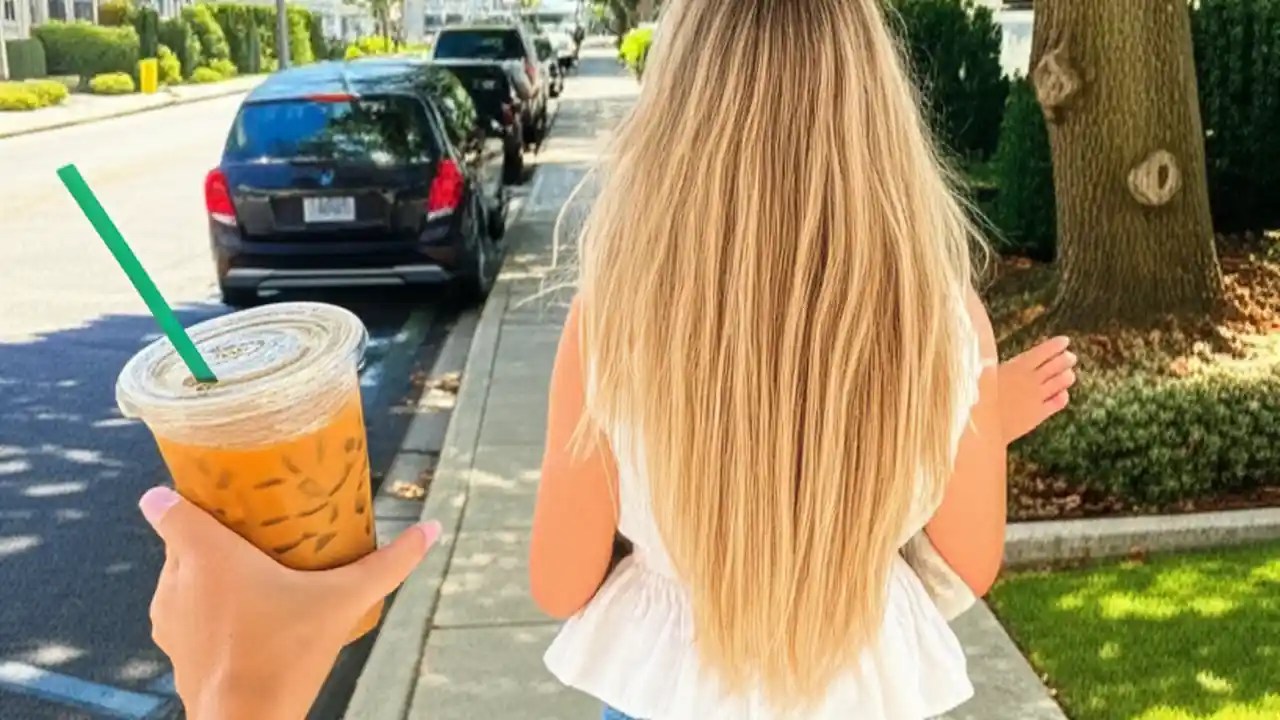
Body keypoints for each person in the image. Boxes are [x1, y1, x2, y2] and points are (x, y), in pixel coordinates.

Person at [527, 1, 1076, 719]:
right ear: (875, 108)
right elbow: (968, 564)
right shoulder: (942, 323)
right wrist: (970, 436)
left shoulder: (612, 322)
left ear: (675, 115)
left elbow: (560, 581)